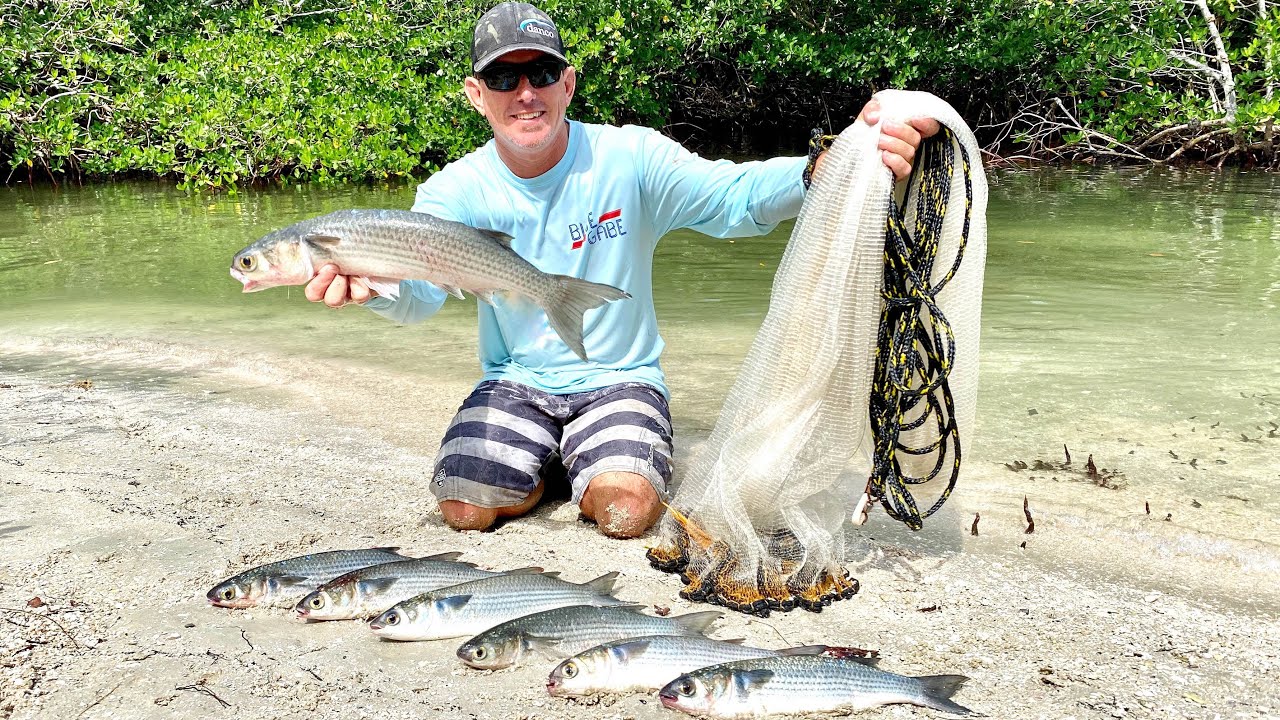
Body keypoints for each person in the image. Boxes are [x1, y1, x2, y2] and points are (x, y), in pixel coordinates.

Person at [305, 1, 939, 538]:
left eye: (541, 73)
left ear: (567, 83)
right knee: (466, 511)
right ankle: (550, 461)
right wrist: (372, 290)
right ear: (477, 95)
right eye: (503, 77)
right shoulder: (454, 192)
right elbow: (419, 298)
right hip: (514, 381)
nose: (525, 93)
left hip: (621, 379)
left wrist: (825, 166)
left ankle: (588, 461)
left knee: (625, 511)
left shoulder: (631, 156)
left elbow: (735, 198)